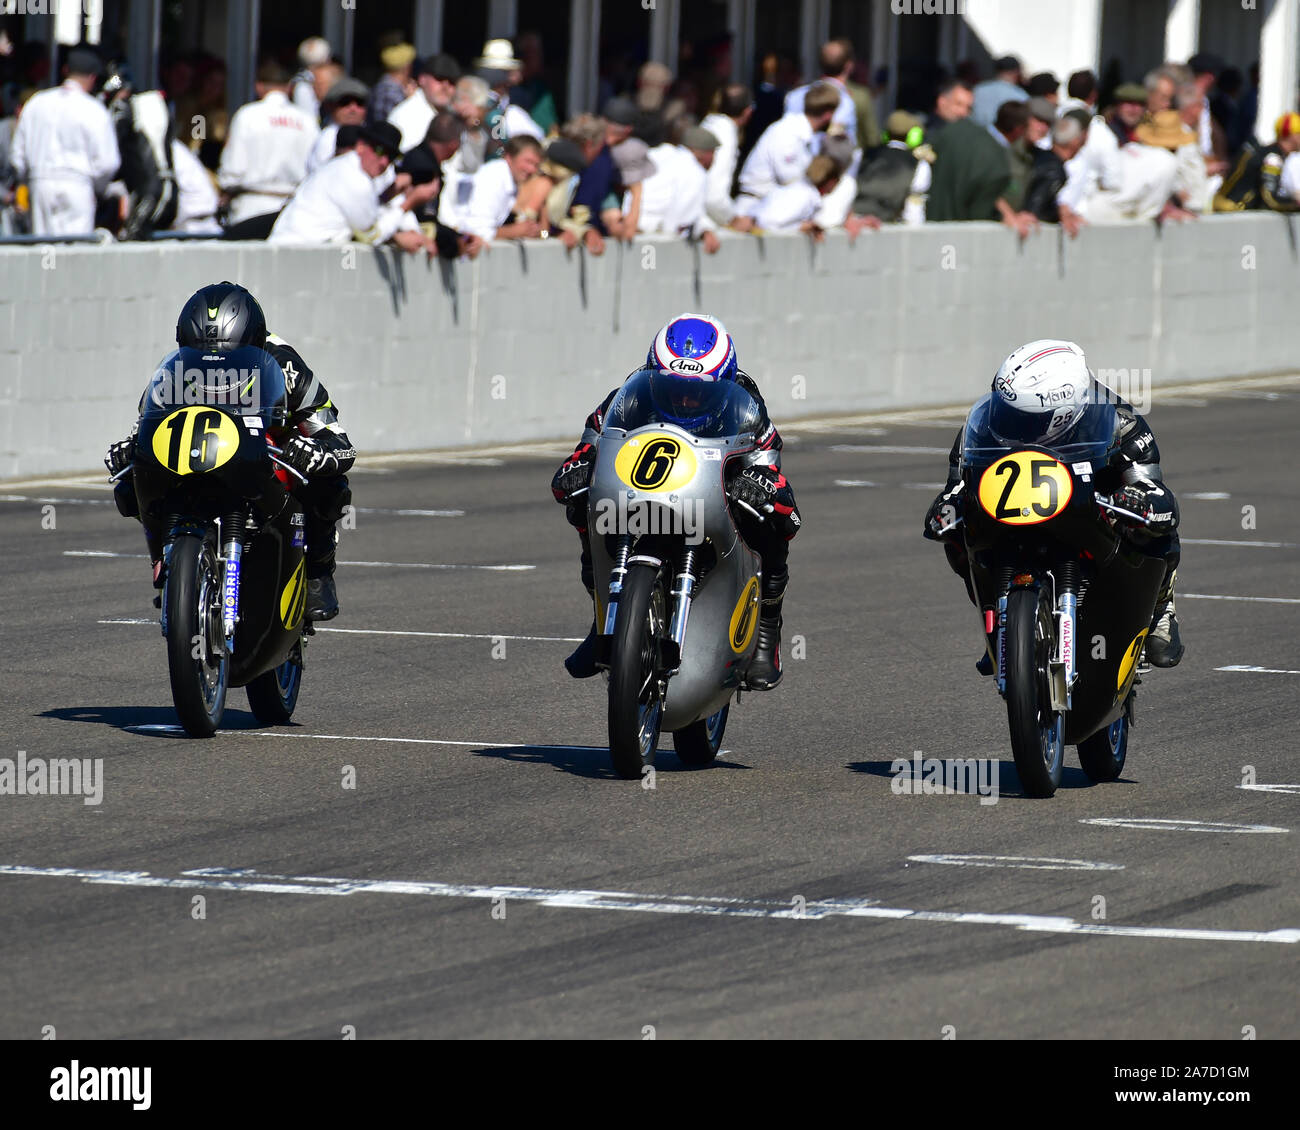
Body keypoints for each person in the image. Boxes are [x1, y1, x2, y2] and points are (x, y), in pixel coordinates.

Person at [551, 314, 801, 688]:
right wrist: (579, 466)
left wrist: (763, 487)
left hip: (713, 495)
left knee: (772, 523)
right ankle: (601, 616)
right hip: (643, 495)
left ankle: (767, 632)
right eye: (672, 386)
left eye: (698, 390)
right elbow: (592, 441)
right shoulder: (630, 396)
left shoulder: (746, 405)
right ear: (654, 373)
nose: (685, 397)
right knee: (581, 502)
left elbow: (772, 469)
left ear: (724, 382)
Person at [104, 283, 356, 622]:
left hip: (268, 461)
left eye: (229, 359)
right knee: (129, 482)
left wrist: (317, 452)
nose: (216, 366)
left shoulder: (287, 366)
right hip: (204, 458)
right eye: (203, 355)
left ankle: (318, 572)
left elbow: (337, 439)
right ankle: (166, 561)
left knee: (329, 484)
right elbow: (147, 426)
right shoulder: (174, 369)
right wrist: (131, 450)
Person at [923, 340, 1183, 668]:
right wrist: (948, 506)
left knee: (1155, 525)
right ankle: (999, 629)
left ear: (1061, 417)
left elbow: (1155, 490)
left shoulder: (1122, 422)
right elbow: (957, 488)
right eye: (1006, 411)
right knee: (959, 532)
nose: (1008, 424)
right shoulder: (986, 423)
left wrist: (1138, 500)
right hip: (1016, 514)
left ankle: (1161, 610)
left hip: (1089, 510)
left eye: (1021, 419)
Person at [269, 121, 432, 252]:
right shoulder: (354, 178)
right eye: (379, 151)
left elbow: (367, 219)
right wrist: (407, 204)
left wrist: (389, 196)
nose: (384, 162)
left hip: (298, 251)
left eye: (390, 157)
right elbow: (372, 236)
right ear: (361, 146)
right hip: (298, 252)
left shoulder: (345, 167)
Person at [10, 46, 120, 236]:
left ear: (65, 71)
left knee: (43, 248)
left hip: (40, 185)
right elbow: (107, 163)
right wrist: (96, 187)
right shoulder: (94, 109)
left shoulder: (37, 103)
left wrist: (28, 179)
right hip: (78, 186)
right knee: (75, 251)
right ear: (93, 79)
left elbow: (17, 156)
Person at [218, 59, 318, 238]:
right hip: (293, 211)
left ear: (259, 87)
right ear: (289, 87)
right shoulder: (307, 120)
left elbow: (232, 170)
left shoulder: (247, 115)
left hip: (251, 208)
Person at [461, 133, 544, 243]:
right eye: (528, 161)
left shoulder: (511, 181)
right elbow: (476, 230)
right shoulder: (493, 178)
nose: (532, 170)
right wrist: (515, 231)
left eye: (536, 165)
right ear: (509, 157)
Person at [1213, 112, 1300, 212]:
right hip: (1233, 210)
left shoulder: (1267, 152)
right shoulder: (1273, 158)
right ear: (1292, 135)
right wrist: (1294, 205)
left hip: (1227, 208)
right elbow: (1270, 199)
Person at [701, 83, 753, 228]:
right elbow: (714, 197)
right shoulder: (725, 135)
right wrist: (733, 220)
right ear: (748, 112)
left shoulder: (709, 124)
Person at [388, 53, 459, 153]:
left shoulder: (454, 116)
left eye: (452, 82)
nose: (445, 86)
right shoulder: (407, 114)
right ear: (422, 79)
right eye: (439, 78)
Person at [306, 77, 369, 176]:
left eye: (359, 103)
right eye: (345, 103)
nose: (353, 109)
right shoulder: (327, 138)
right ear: (331, 106)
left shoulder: (370, 135)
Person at [971, 55, 1026, 129]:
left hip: (973, 133)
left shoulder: (979, 88)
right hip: (1001, 138)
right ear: (1016, 72)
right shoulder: (1021, 96)